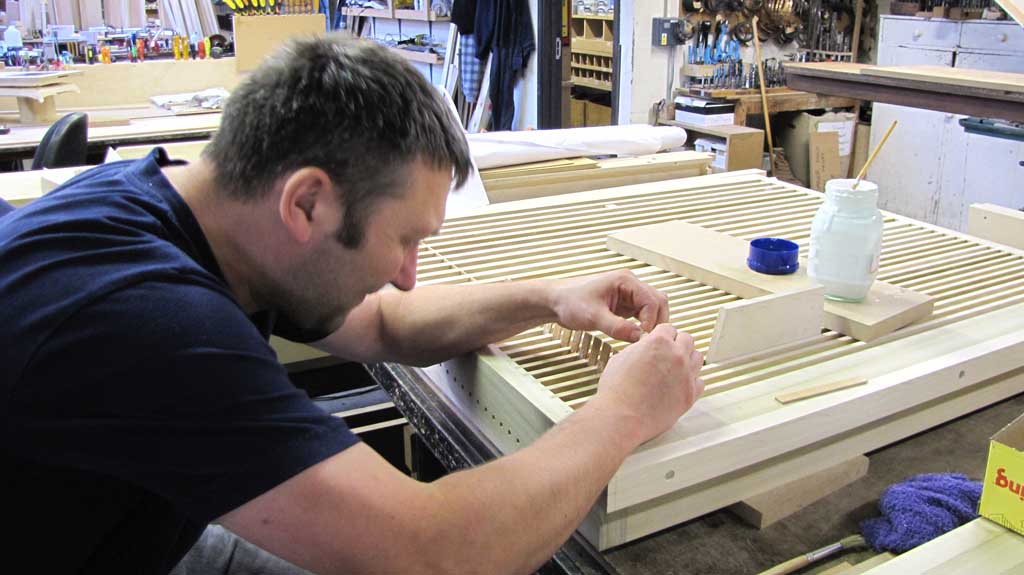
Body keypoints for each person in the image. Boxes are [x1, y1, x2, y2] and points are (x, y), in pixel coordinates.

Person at [1, 37, 704, 575]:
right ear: (306, 202)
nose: (407, 275)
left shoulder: (187, 209)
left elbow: (384, 322)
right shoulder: (151, 324)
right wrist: (623, 413)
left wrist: (549, 297)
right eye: (403, 240)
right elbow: (431, 553)